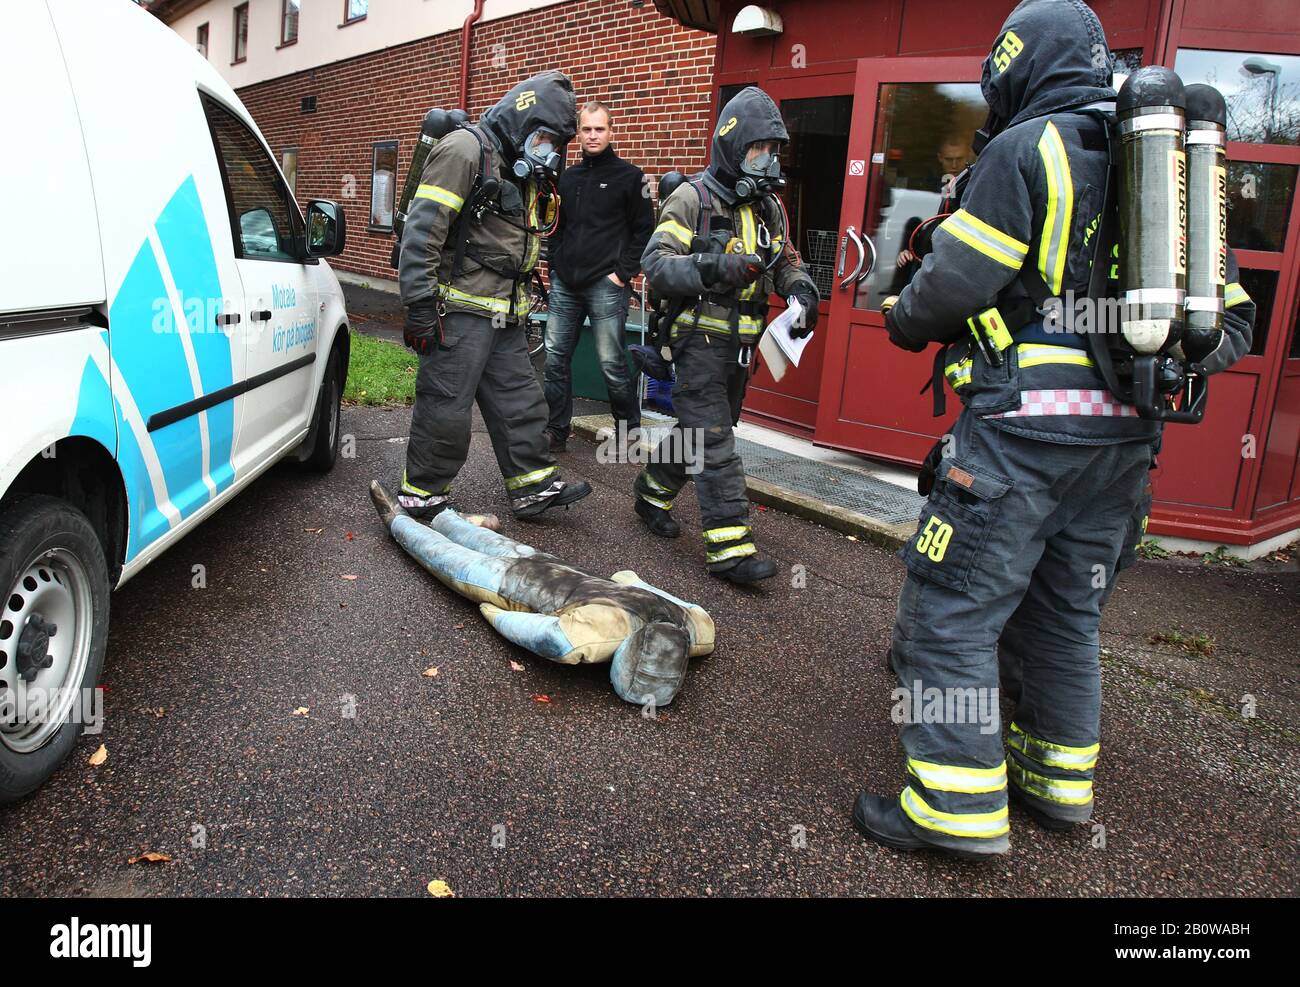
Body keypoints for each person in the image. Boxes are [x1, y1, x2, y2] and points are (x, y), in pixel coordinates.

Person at [851, 0, 1255, 859]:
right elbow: (1231, 322)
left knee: (950, 613)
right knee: (1066, 616)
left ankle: (952, 806)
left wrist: (900, 314)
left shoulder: (1024, 149)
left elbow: (958, 281)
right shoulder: (1168, 164)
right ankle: (1056, 784)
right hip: (1124, 447)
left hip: (1022, 437)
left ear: (1015, 65)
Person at [634, 87, 820, 584]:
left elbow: (787, 263)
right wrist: (715, 266)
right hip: (696, 346)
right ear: (734, 147)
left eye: (774, 151)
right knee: (714, 443)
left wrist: (802, 292)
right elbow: (655, 266)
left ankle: (651, 492)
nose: (768, 160)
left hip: (742, 350)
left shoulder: (770, 208)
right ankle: (729, 548)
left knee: (700, 431)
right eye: (759, 150)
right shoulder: (692, 198)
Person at [397, 71, 592, 521]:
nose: (551, 151)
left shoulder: (522, 169)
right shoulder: (465, 150)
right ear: (523, 123)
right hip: (459, 307)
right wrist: (421, 307)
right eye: (545, 137)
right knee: (447, 406)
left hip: (506, 311)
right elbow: (423, 232)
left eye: (558, 143)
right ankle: (421, 494)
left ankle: (533, 487)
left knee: (522, 402)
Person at [542, 101, 654, 452]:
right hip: (566, 284)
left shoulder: (631, 177)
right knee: (554, 357)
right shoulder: (567, 177)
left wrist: (621, 275)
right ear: (579, 132)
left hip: (606, 285)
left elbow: (645, 232)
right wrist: (555, 266)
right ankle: (555, 432)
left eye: (599, 129)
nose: (592, 135)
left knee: (611, 362)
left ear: (611, 131)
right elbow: (556, 227)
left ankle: (628, 434)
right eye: (587, 129)